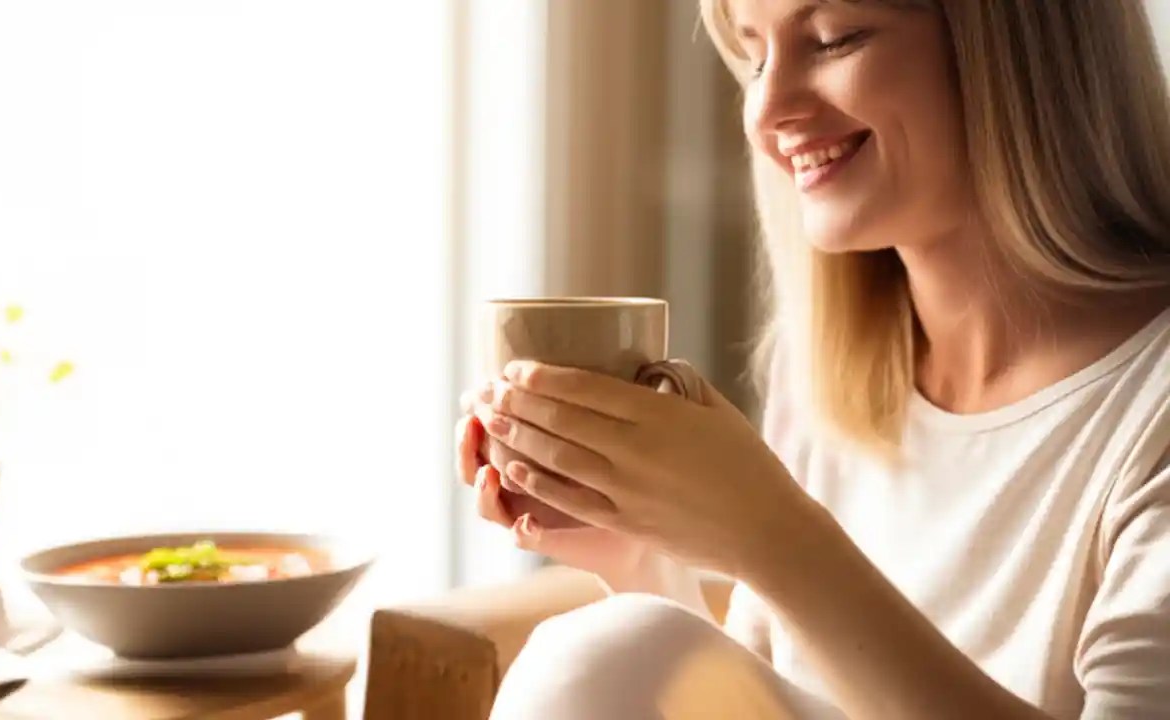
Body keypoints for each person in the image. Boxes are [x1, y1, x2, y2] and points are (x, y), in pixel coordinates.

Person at [455, 1, 1170, 718]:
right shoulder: (825, 378)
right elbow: (772, 701)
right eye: (755, 54)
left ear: (1023, 49)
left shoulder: (1149, 411)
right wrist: (636, 551)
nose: (766, 110)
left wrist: (770, 535)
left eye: (835, 39)